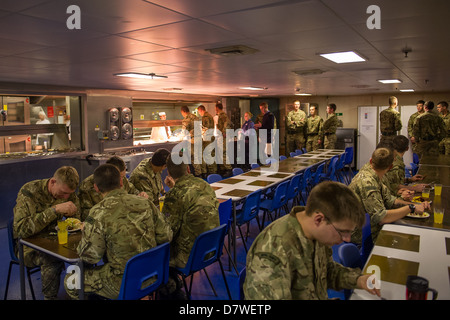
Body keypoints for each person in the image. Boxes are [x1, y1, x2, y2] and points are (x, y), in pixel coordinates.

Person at [244, 181, 380, 300]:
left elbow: (327, 271)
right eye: (343, 232)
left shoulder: (317, 235)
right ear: (319, 219)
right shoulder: (272, 251)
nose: (347, 239)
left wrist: (359, 280)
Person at [65, 164, 172, 300]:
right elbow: (166, 236)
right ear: (121, 182)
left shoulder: (98, 212)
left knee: (71, 281)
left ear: (96, 188)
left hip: (123, 281)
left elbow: (90, 257)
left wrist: (87, 233)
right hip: (154, 272)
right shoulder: (146, 203)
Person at [13, 166, 80, 300]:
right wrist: (54, 210)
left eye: (69, 193)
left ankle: (77, 293)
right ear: (53, 182)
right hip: (29, 246)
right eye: (63, 193)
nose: (66, 197)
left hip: (55, 239)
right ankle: (50, 297)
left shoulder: (67, 191)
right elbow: (21, 229)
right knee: (51, 258)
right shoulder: (29, 191)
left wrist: (75, 217)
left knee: (83, 252)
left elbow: (77, 220)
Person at [160, 152, 220, 298]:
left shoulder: (174, 195)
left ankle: (172, 289)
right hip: (211, 248)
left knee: (155, 253)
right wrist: (174, 188)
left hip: (190, 255)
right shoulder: (204, 184)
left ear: (168, 172)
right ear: (188, 168)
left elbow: (167, 232)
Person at [349, 148, 430, 244]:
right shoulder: (368, 182)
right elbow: (382, 218)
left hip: (367, 225)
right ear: (391, 167)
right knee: (411, 240)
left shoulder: (373, 173)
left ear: (371, 160)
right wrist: (411, 208)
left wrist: (415, 205)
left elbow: (391, 201)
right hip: (360, 232)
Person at [78, 156, 148, 220]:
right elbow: (85, 215)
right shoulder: (87, 185)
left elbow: (133, 191)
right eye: (119, 177)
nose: (121, 181)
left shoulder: (122, 180)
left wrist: (141, 195)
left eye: (123, 177)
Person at [381, 135, 426, 200]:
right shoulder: (396, 164)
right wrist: (415, 189)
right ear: (407, 148)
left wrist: (409, 180)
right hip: (392, 198)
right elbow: (393, 186)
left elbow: (394, 179)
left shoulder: (396, 159)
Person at [180, 105, 202, 177]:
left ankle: (198, 175)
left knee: (194, 158)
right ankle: (202, 173)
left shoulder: (186, 119)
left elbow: (184, 131)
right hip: (199, 139)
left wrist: (180, 137)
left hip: (193, 140)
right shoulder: (196, 117)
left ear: (183, 112)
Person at [197, 105, 217, 177]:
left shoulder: (205, 117)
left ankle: (211, 171)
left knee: (208, 155)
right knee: (212, 154)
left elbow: (205, 127)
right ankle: (214, 170)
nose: (199, 113)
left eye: (199, 112)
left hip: (207, 138)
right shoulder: (210, 115)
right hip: (212, 136)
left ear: (201, 110)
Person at [215, 103, 233, 176]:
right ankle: (224, 169)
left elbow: (227, 123)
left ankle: (229, 169)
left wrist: (224, 131)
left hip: (223, 137)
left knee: (223, 153)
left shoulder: (222, 114)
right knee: (221, 153)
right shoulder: (221, 114)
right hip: (221, 136)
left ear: (217, 108)